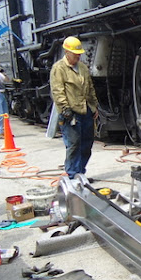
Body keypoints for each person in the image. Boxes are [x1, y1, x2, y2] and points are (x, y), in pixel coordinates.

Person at [49, 36, 99, 179]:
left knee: (86, 144)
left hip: (86, 110)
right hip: (71, 112)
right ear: (67, 52)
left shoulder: (82, 67)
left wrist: (94, 107)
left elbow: (90, 88)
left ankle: (80, 173)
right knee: (73, 144)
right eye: (75, 54)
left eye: (79, 54)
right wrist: (65, 109)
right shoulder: (59, 68)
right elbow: (58, 91)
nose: (78, 56)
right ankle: (72, 175)